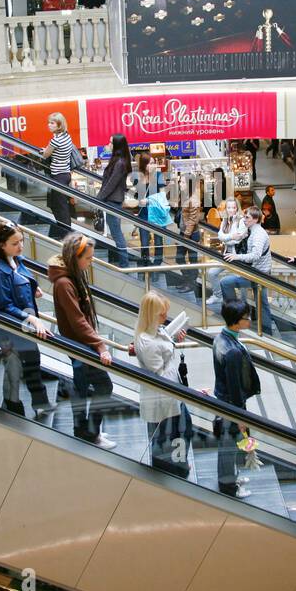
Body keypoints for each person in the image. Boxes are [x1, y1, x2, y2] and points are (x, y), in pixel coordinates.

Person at [49, 234, 116, 449]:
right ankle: (88, 432)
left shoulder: (73, 275)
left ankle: (87, 431)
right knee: (102, 385)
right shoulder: (64, 283)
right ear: (75, 258)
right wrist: (100, 345)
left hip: (82, 343)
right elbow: (77, 320)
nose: (91, 262)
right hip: (79, 344)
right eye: (88, 258)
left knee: (84, 385)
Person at [0, 220, 53, 419]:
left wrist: (34, 287)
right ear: (1, 244)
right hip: (12, 331)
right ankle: (14, 407)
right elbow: (4, 306)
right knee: (14, 370)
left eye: (21, 241)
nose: (20, 246)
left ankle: (39, 404)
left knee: (32, 364)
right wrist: (30, 318)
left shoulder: (15, 259)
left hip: (24, 326)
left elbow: (24, 277)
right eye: (15, 243)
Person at [133, 291, 192, 477]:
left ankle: (178, 464)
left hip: (170, 396)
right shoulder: (147, 341)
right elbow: (161, 375)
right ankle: (173, 468)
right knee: (172, 434)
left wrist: (172, 340)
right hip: (163, 398)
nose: (166, 317)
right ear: (151, 315)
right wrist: (171, 347)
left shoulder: (154, 330)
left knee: (180, 430)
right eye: (162, 314)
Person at [213, 300, 259, 499]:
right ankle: (228, 486)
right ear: (235, 321)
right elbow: (234, 386)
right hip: (231, 404)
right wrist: (240, 416)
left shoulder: (223, 337)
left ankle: (231, 477)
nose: (249, 320)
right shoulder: (231, 351)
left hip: (225, 400)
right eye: (246, 318)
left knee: (229, 443)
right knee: (229, 444)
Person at [219, 206, 272, 321]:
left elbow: (255, 255)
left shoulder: (258, 234)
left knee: (225, 282)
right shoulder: (252, 231)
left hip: (258, 275)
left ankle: (235, 314)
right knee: (263, 304)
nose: (244, 219)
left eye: (247, 217)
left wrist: (237, 256)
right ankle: (267, 331)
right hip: (258, 273)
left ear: (256, 219)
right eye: (244, 217)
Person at [96, 134, 132, 267]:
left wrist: (99, 198)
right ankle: (123, 262)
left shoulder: (119, 162)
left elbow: (111, 183)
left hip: (113, 201)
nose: (108, 144)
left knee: (116, 233)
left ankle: (124, 263)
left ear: (116, 145)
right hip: (113, 200)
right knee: (116, 232)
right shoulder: (119, 160)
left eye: (111, 142)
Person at [40, 112, 76, 240]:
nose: (49, 125)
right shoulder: (67, 136)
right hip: (65, 174)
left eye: (52, 123)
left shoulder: (56, 140)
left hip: (58, 176)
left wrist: (45, 150)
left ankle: (67, 236)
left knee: (61, 208)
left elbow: (45, 155)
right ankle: (64, 233)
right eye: (49, 122)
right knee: (58, 205)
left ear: (59, 125)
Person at [208, 197, 248, 306]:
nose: (231, 210)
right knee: (211, 273)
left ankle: (244, 305)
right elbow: (220, 236)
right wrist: (230, 236)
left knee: (240, 281)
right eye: (229, 207)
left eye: (233, 207)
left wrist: (228, 238)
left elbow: (238, 239)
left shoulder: (241, 221)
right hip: (226, 254)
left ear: (237, 208)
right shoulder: (225, 220)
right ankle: (218, 296)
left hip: (238, 256)